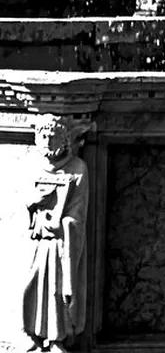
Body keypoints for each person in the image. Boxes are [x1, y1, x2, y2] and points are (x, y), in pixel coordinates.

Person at [24, 114, 89, 353]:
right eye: (43, 136)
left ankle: (55, 338)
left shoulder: (77, 169)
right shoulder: (34, 165)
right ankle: (31, 332)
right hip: (37, 240)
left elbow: (78, 214)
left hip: (61, 245)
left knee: (56, 289)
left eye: (53, 136)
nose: (48, 141)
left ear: (65, 138)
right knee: (32, 285)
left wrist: (63, 221)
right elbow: (23, 201)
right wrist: (35, 203)